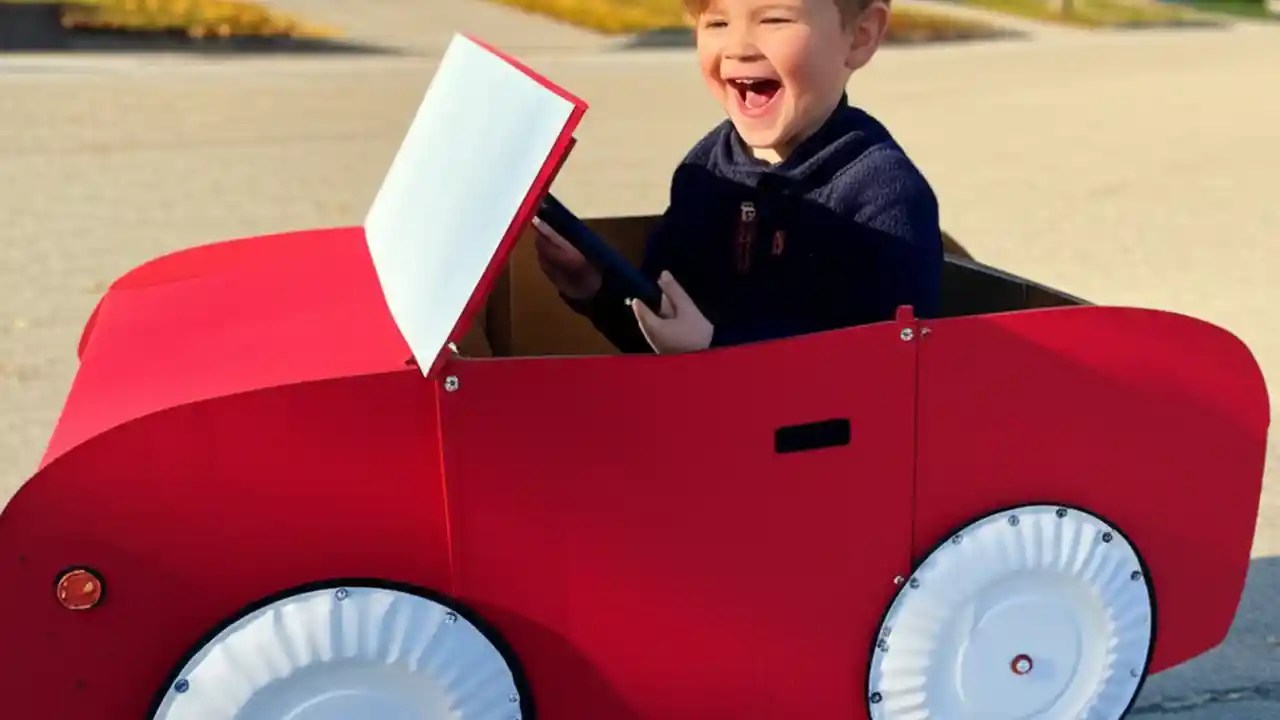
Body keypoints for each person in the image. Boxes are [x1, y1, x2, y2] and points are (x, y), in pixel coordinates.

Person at [533, 0, 942, 354]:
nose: (739, 47)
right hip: (695, 426)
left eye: (774, 20)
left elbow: (885, 373)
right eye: (716, 22)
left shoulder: (885, 195)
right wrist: (595, 288)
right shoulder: (703, 171)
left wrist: (717, 346)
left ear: (860, 36)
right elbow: (658, 340)